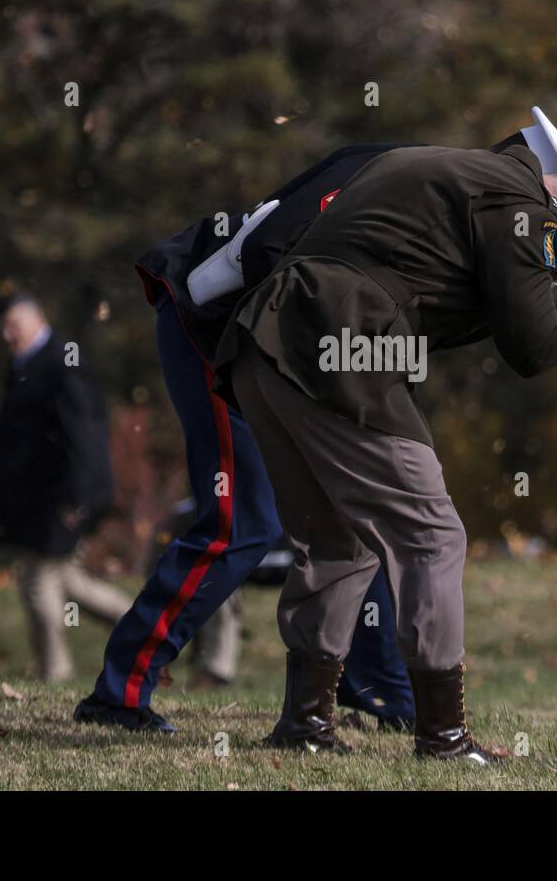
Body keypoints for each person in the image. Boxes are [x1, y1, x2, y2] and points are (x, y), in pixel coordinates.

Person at [216, 144, 557, 764]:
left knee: (338, 541)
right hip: (341, 346)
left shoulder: (453, 171)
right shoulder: (525, 209)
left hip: (266, 343)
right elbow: (535, 346)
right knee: (432, 539)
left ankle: (305, 725)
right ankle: (443, 738)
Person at [75, 143, 423, 733]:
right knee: (241, 524)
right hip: (213, 328)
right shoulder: (400, 176)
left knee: (354, 513)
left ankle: (379, 692)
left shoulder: (419, 188)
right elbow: (266, 245)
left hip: (277, 346)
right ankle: (119, 692)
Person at [0, 293, 130, 681]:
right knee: (68, 580)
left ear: (37, 319)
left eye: (14, 325)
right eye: (4, 327)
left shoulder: (63, 362)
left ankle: (53, 672)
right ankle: (144, 629)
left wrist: (77, 498)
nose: (7, 334)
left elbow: (84, 435)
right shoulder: (23, 365)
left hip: (63, 495)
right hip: (38, 496)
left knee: (37, 578)